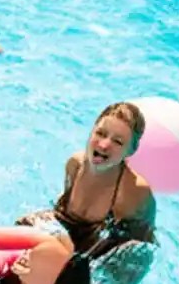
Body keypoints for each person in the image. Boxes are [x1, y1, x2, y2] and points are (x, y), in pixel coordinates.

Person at [17, 102, 156, 262]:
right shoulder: (75, 165)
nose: (103, 145)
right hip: (72, 231)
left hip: (111, 244)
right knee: (22, 226)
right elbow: (60, 215)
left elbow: (136, 241)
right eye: (100, 133)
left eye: (118, 142)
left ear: (131, 150)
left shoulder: (131, 192)